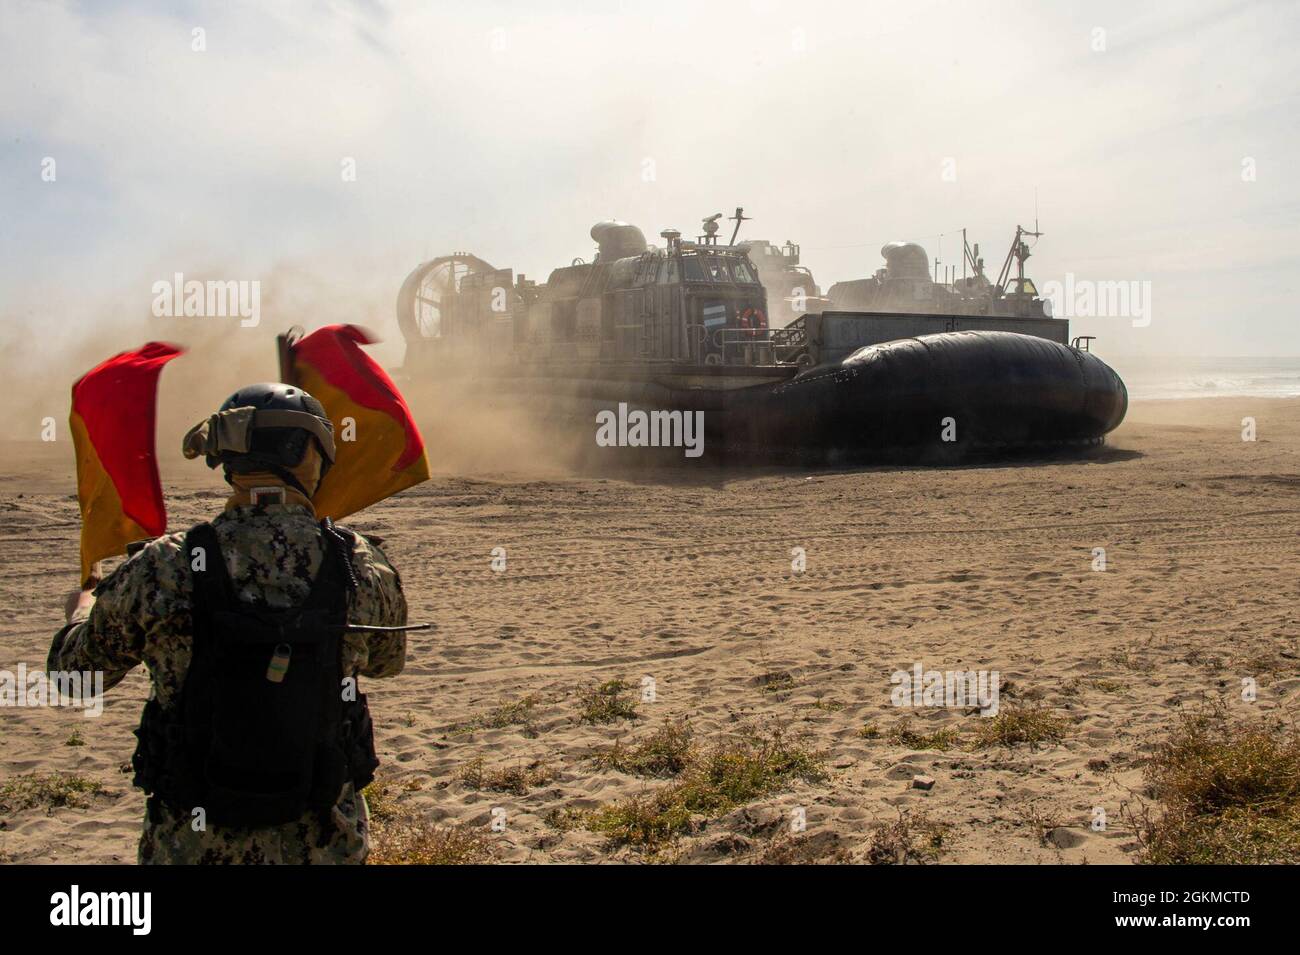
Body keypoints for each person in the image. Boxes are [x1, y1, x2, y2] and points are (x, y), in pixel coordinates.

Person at [48, 383, 408, 864]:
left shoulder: (165, 564)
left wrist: (84, 608)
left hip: (193, 845)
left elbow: (76, 677)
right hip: (325, 844)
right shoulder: (361, 563)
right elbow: (387, 662)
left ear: (229, 461)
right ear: (310, 455)